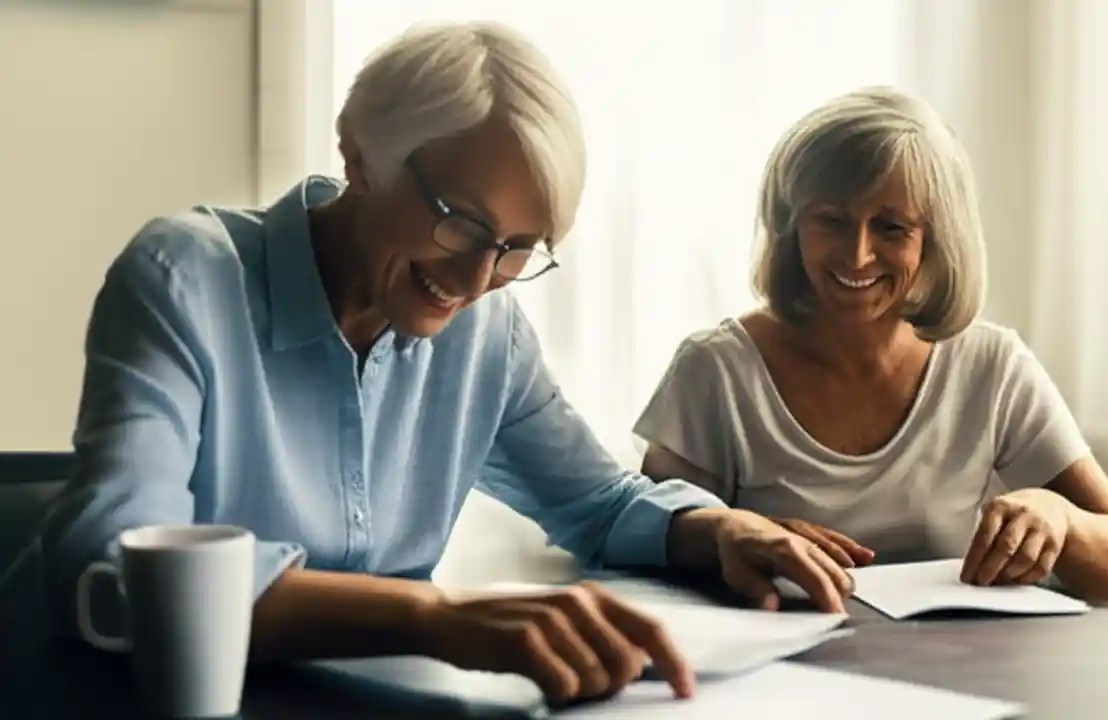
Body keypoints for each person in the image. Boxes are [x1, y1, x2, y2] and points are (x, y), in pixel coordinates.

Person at [25, 22, 854, 705]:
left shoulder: (487, 329)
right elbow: (110, 556)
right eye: (459, 221)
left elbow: (597, 504)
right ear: (361, 154)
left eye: (518, 249)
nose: (475, 279)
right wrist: (430, 614)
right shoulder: (187, 275)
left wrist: (719, 529)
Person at [635, 87, 1108, 610]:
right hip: (780, 675)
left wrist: (1060, 517)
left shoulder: (992, 367)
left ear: (935, 238)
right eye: (831, 220)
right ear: (790, 225)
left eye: (890, 228)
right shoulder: (717, 370)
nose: (857, 255)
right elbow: (638, 551)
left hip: (963, 675)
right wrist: (736, 534)